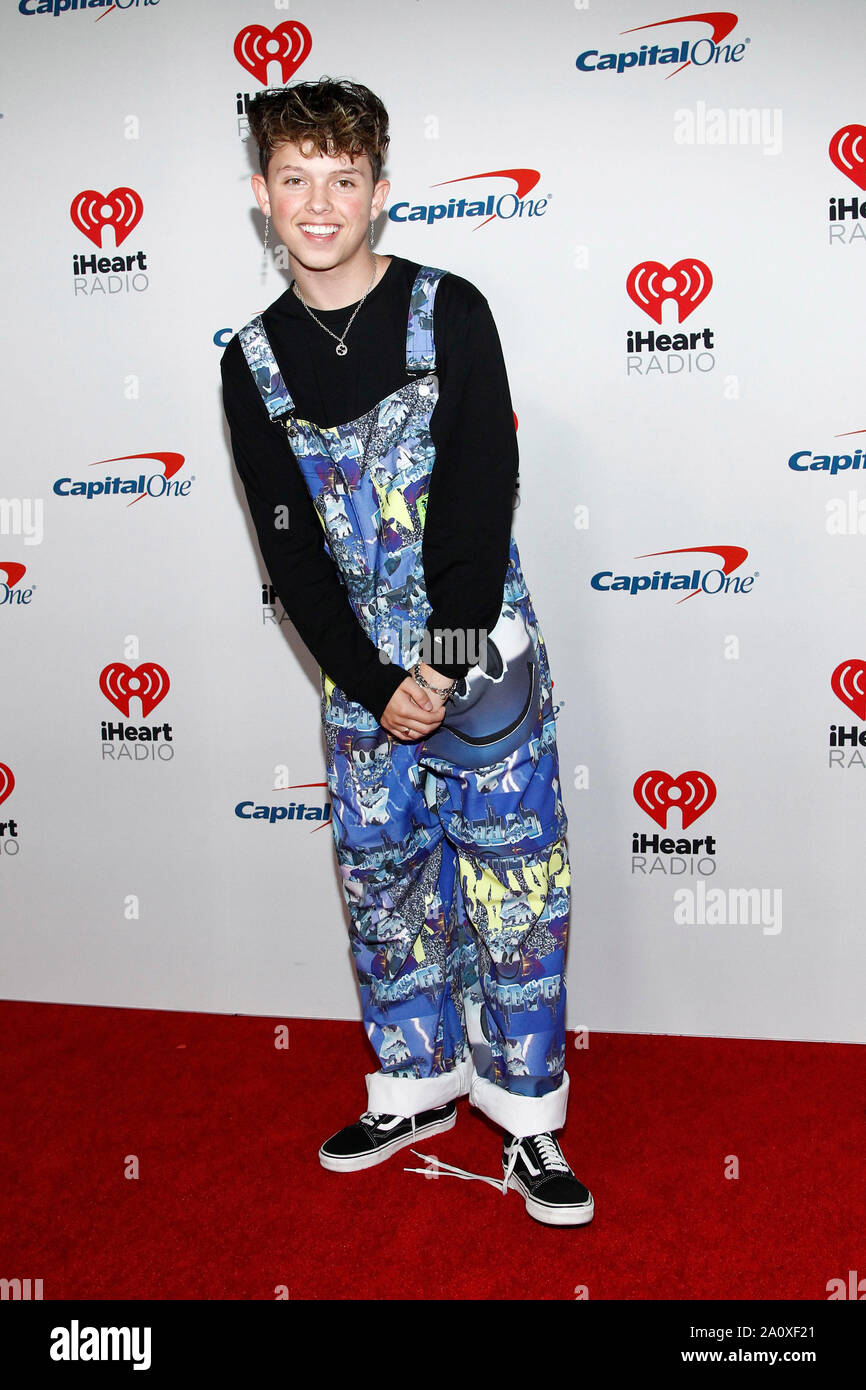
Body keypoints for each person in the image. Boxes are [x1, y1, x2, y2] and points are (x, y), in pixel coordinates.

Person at [220, 77, 593, 1227]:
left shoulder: (448, 310)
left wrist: (434, 665)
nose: (318, 203)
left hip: (478, 657)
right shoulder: (251, 360)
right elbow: (285, 544)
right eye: (295, 179)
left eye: (342, 179)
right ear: (261, 196)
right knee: (385, 887)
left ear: (378, 193)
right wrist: (375, 685)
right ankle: (415, 1085)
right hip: (357, 683)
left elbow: (483, 491)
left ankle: (527, 1120)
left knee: (513, 882)